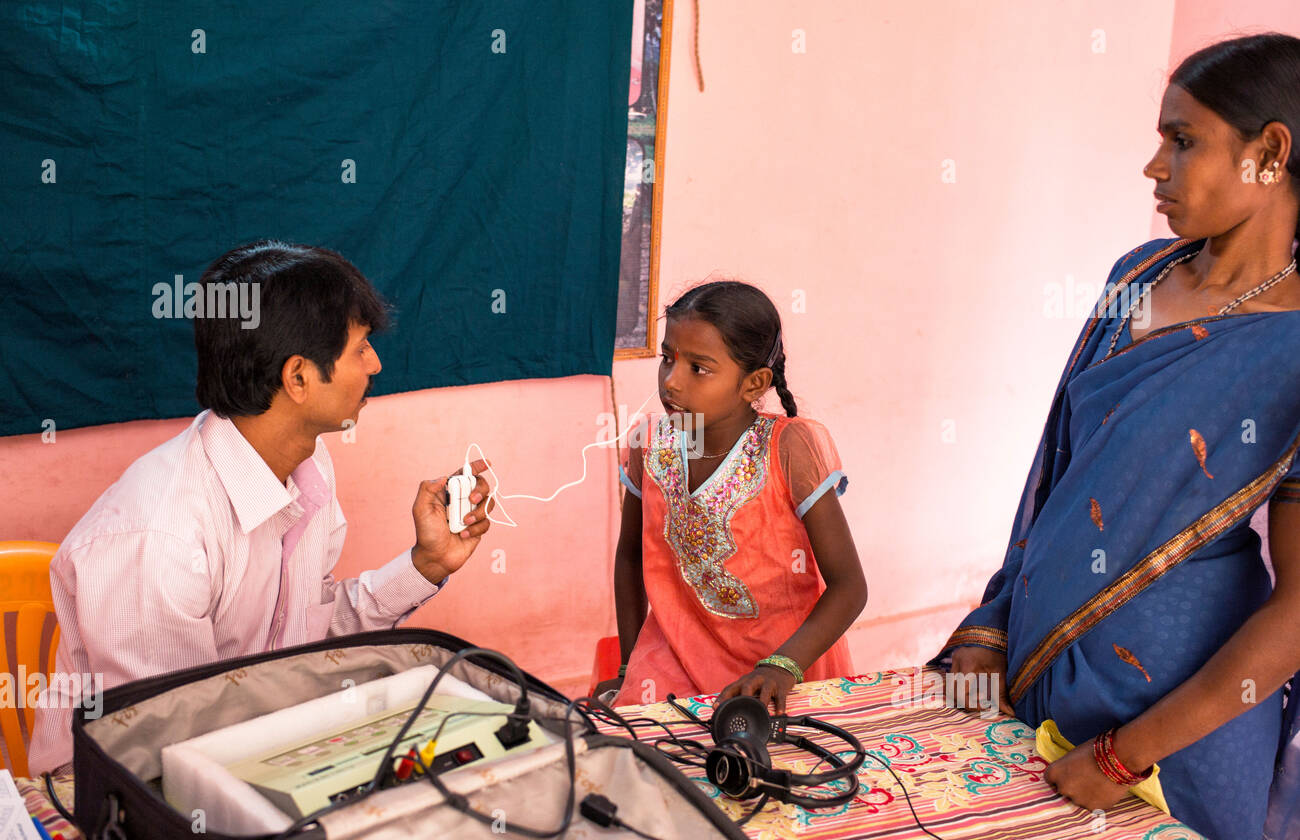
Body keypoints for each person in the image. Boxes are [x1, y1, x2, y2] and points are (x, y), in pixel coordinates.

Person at [936, 33, 1300, 840]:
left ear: (1269, 152)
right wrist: (990, 627)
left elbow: (1299, 610)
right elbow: (1052, 476)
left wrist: (1127, 752)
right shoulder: (1136, 274)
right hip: (1041, 667)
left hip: (1178, 721)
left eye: (1183, 140)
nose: (1154, 167)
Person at [28, 240, 495, 774]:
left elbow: (309, 640)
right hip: (119, 797)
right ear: (298, 377)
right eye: (360, 347)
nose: (376, 363)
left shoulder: (308, 467)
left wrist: (426, 565)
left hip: (241, 751)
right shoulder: (160, 536)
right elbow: (160, 747)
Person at [599, 281, 867, 711]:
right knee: (644, 757)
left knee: (771, 769)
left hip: (780, 666)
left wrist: (781, 666)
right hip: (673, 659)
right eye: (667, 358)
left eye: (698, 368)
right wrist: (630, 669)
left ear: (753, 382)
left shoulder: (787, 448)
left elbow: (849, 587)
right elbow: (630, 558)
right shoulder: (649, 443)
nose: (671, 382)